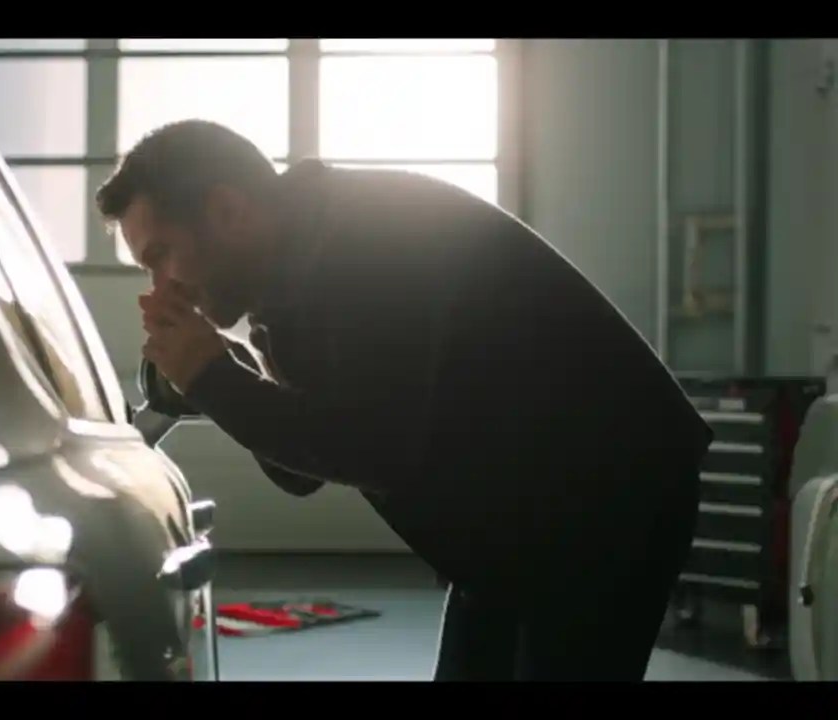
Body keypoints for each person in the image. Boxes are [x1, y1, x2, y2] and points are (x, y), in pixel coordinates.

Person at [97, 119, 712, 681]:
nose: (159, 288)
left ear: (228, 210)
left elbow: (373, 449)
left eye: (160, 256)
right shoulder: (291, 272)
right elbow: (302, 470)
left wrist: (211, 375)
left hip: (603, 506)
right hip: (521, 527)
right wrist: (218, 373)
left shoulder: (364, 242)